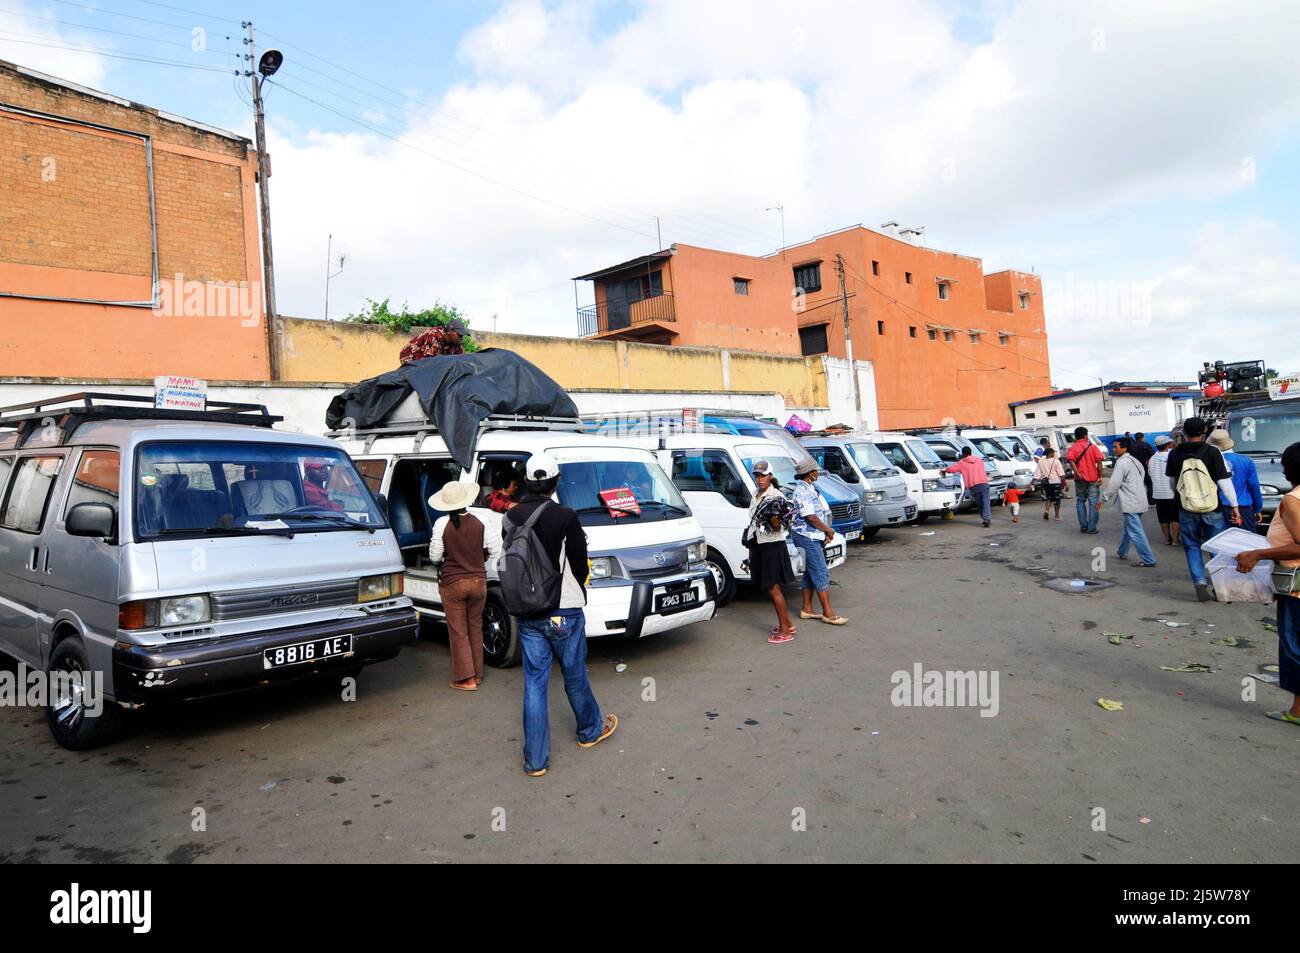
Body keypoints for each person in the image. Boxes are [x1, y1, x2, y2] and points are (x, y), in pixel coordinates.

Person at [504, 453, 616, 777]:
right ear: (555, 483)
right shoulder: (566, 515)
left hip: (528, 612)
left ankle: (535, 761)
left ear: (526, 482)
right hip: (563, 611)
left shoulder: (510, 517)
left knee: (535, 684)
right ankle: (590, 730)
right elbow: (580, 564)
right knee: (574, 674)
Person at [1234, 442, 1300, 726]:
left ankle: (1298, 712)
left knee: (1294, 646)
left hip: (1296, 585)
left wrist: (1257, 553)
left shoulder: (1293, 500)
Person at [428, 480, 502, 691]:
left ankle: (466, 679)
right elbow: (495, 549)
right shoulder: (482, 521)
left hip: (453, 584)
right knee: (475, 627)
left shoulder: (442, 524)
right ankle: (477, 674)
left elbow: (434, 557)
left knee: (458, 631)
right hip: (479, 582)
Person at [1165, 416, 1241, 601]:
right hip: (1211, 508)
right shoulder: (1213, 452)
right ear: (1204, 432)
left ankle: (1199, 582)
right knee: (1216, 547)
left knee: (1191, 546)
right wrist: (1235, 506)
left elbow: (1172, 483)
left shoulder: (1174, 453)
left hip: (1186, 508)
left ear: (1183, 433)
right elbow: (1224, 482)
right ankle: (1218, 586)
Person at [790, 460, 847, 626]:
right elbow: (811, 517)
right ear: (809, 473)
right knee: (821, 572)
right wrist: (827, 531)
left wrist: (825, 531)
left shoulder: (810, 488)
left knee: (810, 571)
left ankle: (806, 609)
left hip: (813, 535)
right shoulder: (802, 491)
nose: (817, 473)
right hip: (806, 536)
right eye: (815, 470)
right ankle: (828, 613)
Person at [746, 460, 797, 643]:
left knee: (774, 589)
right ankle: (788, 624)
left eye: (763, 475)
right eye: (757, 475)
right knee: (770, 588)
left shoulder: (774, 496)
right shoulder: (756, 494)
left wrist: (773, 519)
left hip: (772, 546)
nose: (759, 479)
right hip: (761, 545)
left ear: (770, 476)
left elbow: (777, 528)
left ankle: (785, 631)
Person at [1097, 437, 1156, 567]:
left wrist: (1103, 498)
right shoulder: (1135, 461)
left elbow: (1114, 484)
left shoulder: (1122, 462)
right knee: (1130, 528)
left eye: (1115, 447)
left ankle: (1148, 559)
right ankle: (1122, 551)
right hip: (1139, 500)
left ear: (1124, 448)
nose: (1113, 449)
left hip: (1131, 502)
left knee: (1135, 532)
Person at [1210, 428, 1264, 534]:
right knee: (1247, 541)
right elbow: (1254, 486)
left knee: (1223, 542)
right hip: (1243, 507)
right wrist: (1258, 509)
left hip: (1219, 507)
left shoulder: (1211, 461)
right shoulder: (1246, 460)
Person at [1066, 427, 1104, 534]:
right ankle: (1092, 528)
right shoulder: (1092, 447)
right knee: (1093, 503)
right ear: (1085, 436)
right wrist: (1100, 476)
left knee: (1080, 501)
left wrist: (1077, 473)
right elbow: (1099, 462)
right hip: (1093, 479)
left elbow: (1071, 461)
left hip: (1080, 479)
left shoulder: (1073, 448)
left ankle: (1083, 526)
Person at [945, 447, 991, 527]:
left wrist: (945, 470)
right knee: (986, 502)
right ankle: (986, 519)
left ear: (963, 454)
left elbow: (951, 469)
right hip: (984, 483)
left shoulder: (961, 463)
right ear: (970, 452)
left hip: (973, 486)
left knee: (980, 504)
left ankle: (985, 519)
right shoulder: (979, 460)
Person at [1149, 435, 1181, 546]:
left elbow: (1150, 473)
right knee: (1175, 518)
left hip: (1158, 493)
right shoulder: (1172, 456)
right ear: (1167, 445)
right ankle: (1176, 540)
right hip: (1172, 493)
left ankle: (1167, 540)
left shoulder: (1152, 459)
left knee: (1163, 518)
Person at [1033, 446, 1066, 520]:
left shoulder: (1041, 461)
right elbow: (1061, 474)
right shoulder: (1056, 461)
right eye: (1053, 452)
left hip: (1046, 483)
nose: (1054, 454)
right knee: (1057, 499)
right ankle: (1057, 516)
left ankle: (1046, 511)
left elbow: (1037, 474)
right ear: (1050, 453)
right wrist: (1064, 483)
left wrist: (1032, 482)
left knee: (1048, 497)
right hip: (1056, 482)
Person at [1129, 431, 1155, 502]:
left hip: (1134, 468)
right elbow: (1152, 456)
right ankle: (1150, 500)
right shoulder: (1146, 445)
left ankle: (1138, 500)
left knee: (1136, 484)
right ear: (1142, 437)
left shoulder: (1131, 446)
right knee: (1149, 484)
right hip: (1145, 467)